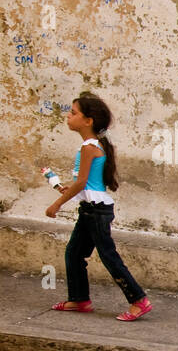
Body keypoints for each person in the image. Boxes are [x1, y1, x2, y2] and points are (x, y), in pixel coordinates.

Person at [46, 93, 152, 321]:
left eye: (73, 113)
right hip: (90, 208)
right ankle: (79, 299)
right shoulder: (91, 145)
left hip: (95, 211)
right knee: (74, 253)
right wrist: (68, 190)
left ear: (88, 120)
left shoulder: (89, 147)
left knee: (108, 256)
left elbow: (82, 182)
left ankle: (138, 300)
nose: (68, 116)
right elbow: (85, 184)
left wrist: (56, 204)